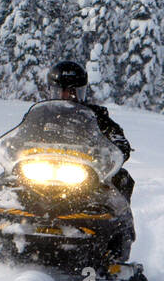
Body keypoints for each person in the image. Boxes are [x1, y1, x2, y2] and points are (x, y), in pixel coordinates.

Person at [46, 61, 135, 201]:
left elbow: (117, 138)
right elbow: (21, 135)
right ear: (52, 91)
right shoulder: (42, 115)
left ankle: (116, 213)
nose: (67, 96)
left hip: (85, 172)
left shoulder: (96, 116)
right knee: (12, 182)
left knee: (120, 179)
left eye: (73, 92)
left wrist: (113, 151)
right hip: (44, 168)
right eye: (62, 92)